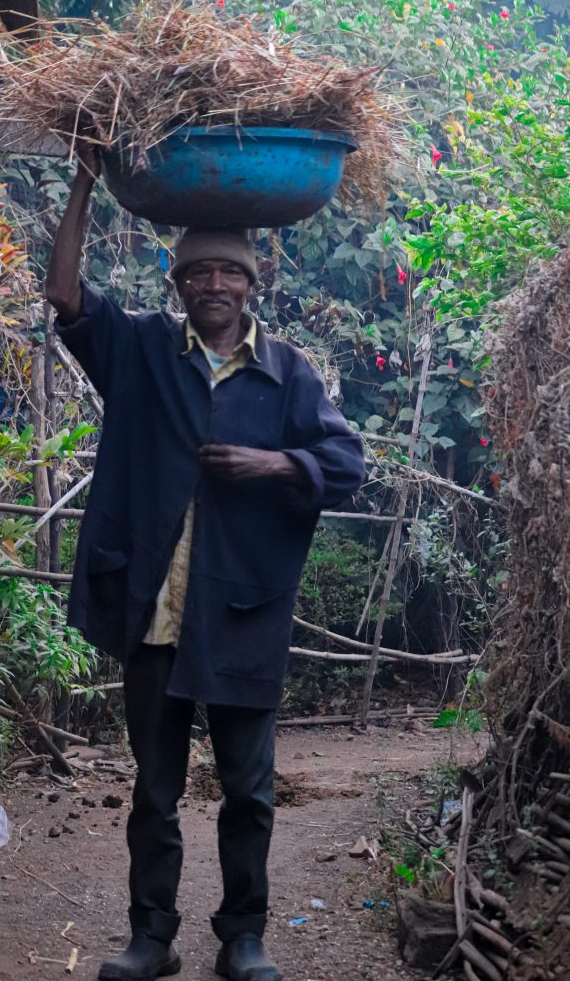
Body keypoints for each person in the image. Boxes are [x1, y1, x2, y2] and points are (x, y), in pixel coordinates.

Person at [45, 147, 366, 981]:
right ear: (178, 287)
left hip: (241, 618)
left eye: (228, 273)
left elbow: (346, 465)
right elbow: (65, 297)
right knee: (153, 793)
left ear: (251, 287)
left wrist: (273, 465)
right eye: (197, 275)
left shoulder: (287, 374)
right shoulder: (144, 353)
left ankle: (242, 938)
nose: (212, 285)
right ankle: (152, 937)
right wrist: (83, 179)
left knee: (248, 793)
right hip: (154, 611)